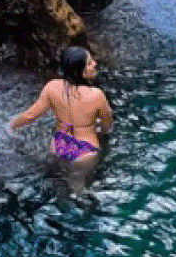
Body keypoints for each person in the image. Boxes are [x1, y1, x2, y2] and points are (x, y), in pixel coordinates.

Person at [7, 46, 113, 190]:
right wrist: (100, 132)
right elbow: (107, 124)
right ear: (78, 71)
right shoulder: (97, 95)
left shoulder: (52, 87)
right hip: (85, 152)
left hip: (58, 145)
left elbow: (31, 115)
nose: (94, 63)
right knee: (78, 186)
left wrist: (10, 126)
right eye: (89, 63)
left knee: (58, 180)